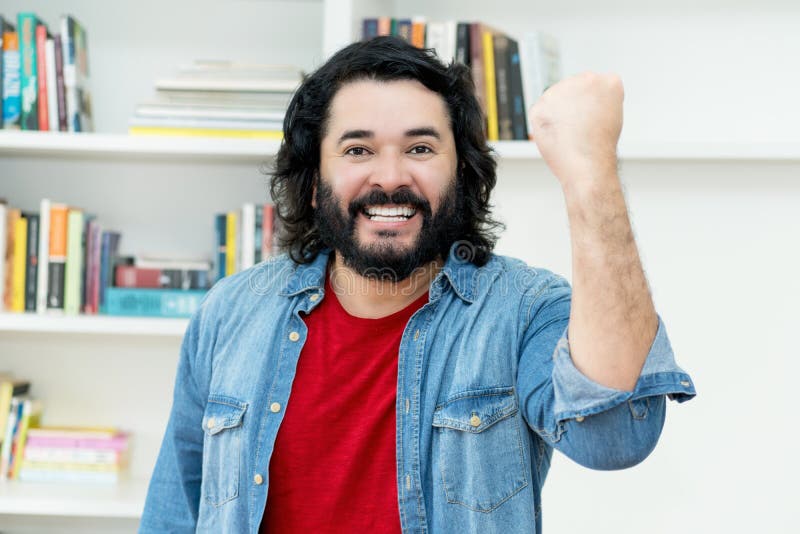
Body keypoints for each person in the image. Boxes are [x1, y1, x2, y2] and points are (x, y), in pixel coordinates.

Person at [139, 36, 695, 534]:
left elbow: (616, 437)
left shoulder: (526, 310)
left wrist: (590, 169)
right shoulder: (230, 311)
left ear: (463, 175)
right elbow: (174, 513)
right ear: (312, 183)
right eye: (357, 150)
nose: (390, 177)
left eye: (421, 149)